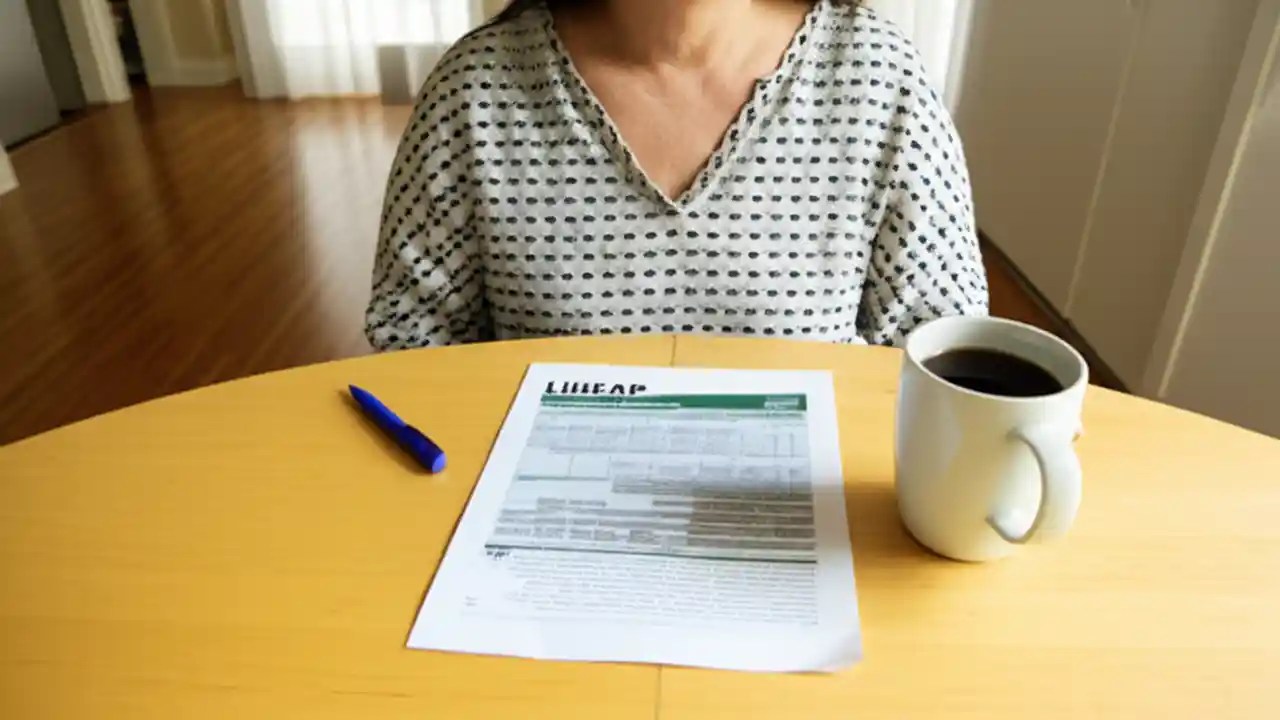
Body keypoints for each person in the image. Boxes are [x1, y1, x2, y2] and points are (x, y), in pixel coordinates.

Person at [366, 0, 988, 350]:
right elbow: (412, 340)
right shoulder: (474, 90)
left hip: (813, 536)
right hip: (544, 545)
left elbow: (943, 346)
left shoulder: (876, 77)